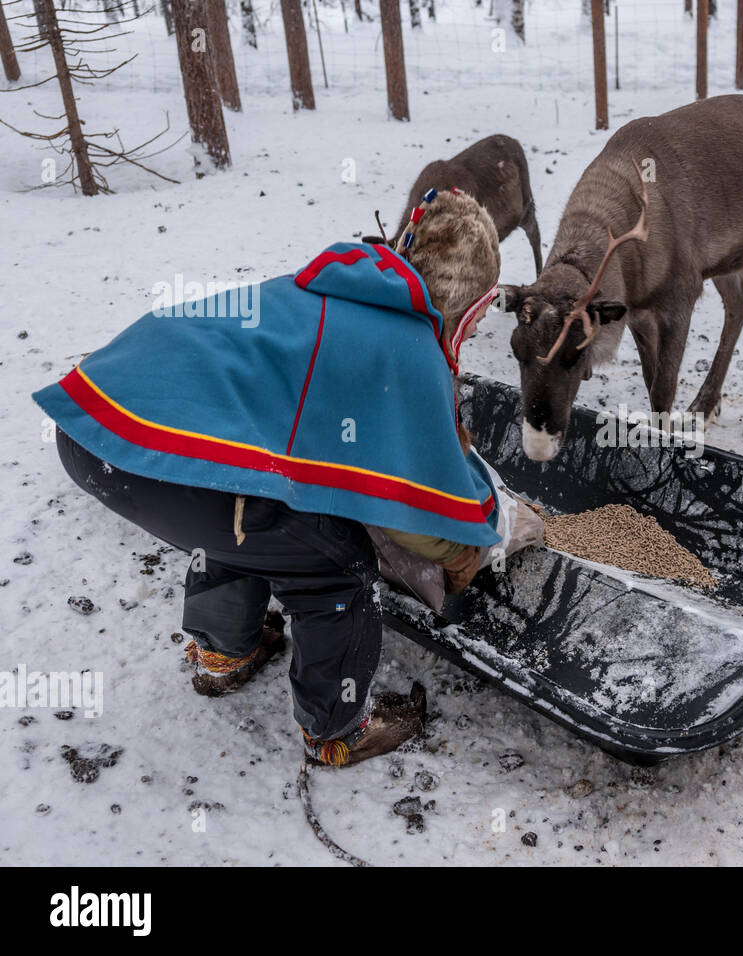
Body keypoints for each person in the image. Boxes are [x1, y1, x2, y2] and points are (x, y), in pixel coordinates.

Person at [33, 188, 537, 767]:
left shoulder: (330, 289)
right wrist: (463, 555)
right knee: (335, 565)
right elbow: (411, 512)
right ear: (469, 306)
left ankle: (227, 654)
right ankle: (337, 729)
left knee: (252, 502)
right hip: (136, 449)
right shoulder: (407, 349)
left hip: (100, 425)